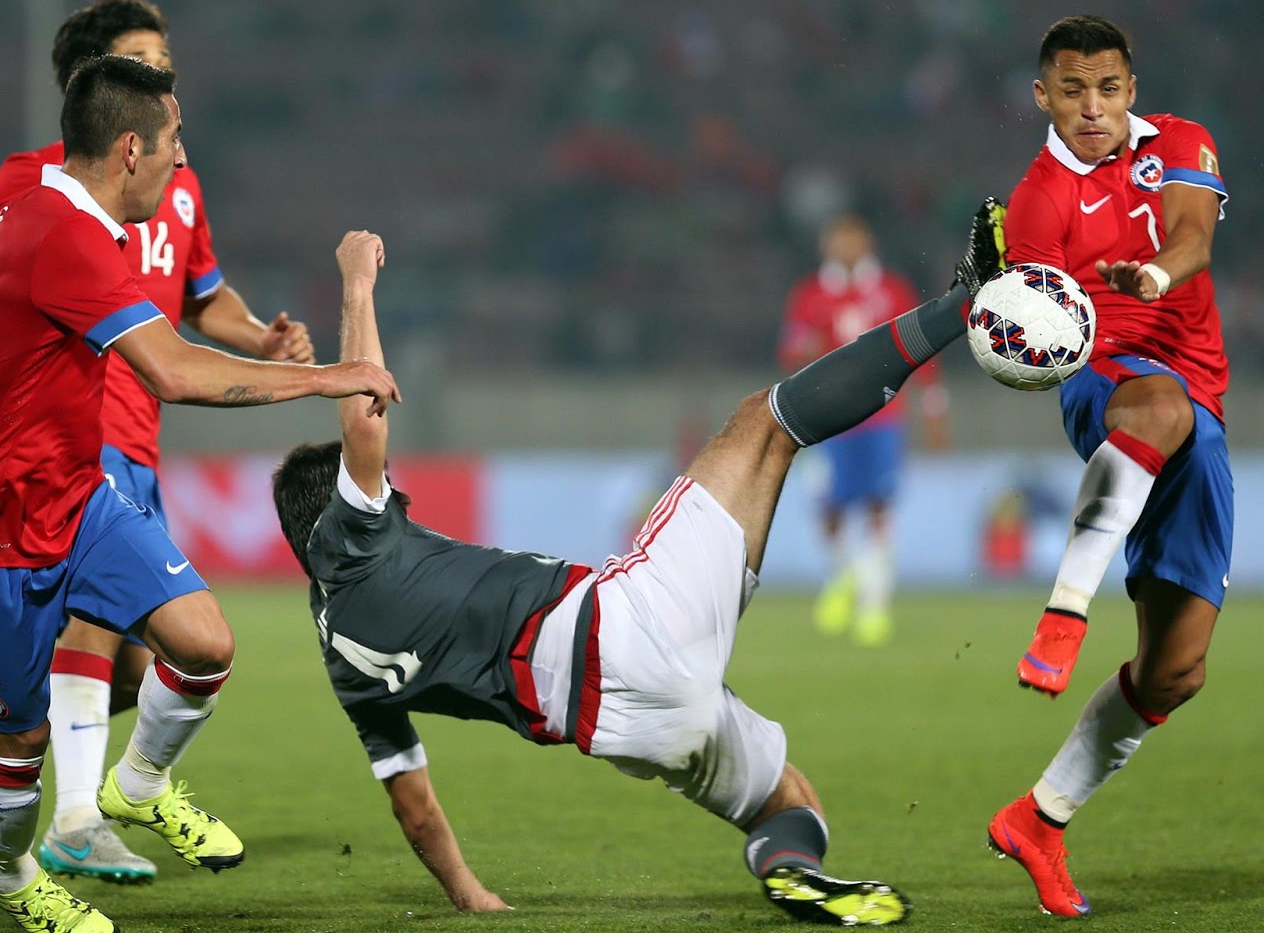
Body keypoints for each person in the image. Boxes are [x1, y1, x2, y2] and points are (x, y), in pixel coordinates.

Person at [267, 218, 1003, 925]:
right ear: (330, 511)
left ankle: (796, 874)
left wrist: (469, 895)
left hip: (625, 729)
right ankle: (962, 300)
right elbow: (364, 416)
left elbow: (413, 803)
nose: (392, 487)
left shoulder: (341, 659)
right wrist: (358, 286)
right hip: (620, 626)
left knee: (784, 802)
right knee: (766, 423)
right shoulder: (350, 539)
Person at [0, 55, 399, 933]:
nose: (181, 161)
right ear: (131, 147)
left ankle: (137, 786)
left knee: (204, 642)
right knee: (19, 745)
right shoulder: (66, 236)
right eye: (174, 144)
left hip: (76, 502)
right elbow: (172, 372)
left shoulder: (31, 206)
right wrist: (330, 378)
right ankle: (9, 878)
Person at [0, 0, 313, 887]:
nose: (165, 81)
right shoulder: (38, 182)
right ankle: (76, 819)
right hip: (69, 438)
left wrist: (257, 338)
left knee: (122, 671)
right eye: (145, 66)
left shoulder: (175, 185)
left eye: (167, 66)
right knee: (94, 644)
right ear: (100, 90)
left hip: (138, 440)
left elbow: (198, 300)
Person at [981, 15, 1232, 918]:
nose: (1094, 109)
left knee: (1177, 671)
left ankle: (1039, 818)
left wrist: (1156, 277)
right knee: (1156, 404)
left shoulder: (1183, 142)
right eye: (1073, 90)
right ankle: (1064, 612)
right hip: (1108, 384)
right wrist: (1002, 316)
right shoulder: (1039, 198)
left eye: (1110, 89)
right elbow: (1038, 343)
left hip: (1198, 409)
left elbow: (1194, 237)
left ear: (1132, 87)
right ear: (1043, 95)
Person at [777, 212, 950, 647]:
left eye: (853, 239)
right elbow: (790, 350)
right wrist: (804, 349)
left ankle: (874, 606)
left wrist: (933, 408)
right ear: (826, 246)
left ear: (867, 242)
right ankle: (842, 576)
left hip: (882, 418)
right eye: (838, 239)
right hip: (829, 420)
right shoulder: (810, 294)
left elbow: (923, 350)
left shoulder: (892, 290)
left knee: (878, 508)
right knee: (830, 510)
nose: (846, 247)